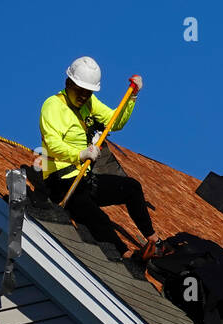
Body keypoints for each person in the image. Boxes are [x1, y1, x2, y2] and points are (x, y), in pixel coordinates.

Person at [39, 56, 160, 260]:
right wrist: (80, 154)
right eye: (80, 90)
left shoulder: (89, 103)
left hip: (84, 178)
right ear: (68, 83)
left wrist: (132, 98)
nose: (83, 96)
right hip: (61, 182)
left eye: (88, 92)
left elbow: (115, 122)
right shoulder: (52, 106)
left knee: (131, 188)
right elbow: (52, 144)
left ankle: (155, 242)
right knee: (99, 218)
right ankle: (128, 257)